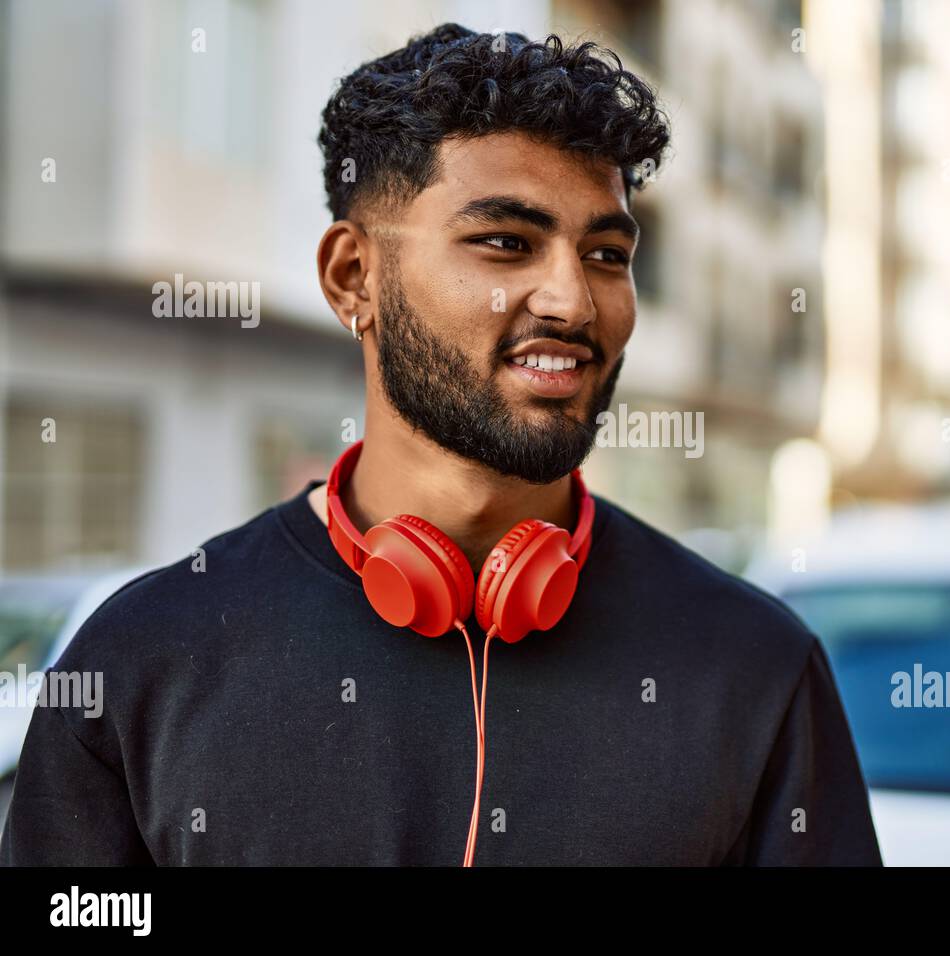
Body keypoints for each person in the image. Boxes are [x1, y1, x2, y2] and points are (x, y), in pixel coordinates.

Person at [0, 23, 882, 866]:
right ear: (355, 278)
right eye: (506, 242)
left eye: (608, 254)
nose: (573, 303)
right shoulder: (140, 660)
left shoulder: (756, 669)